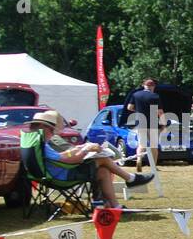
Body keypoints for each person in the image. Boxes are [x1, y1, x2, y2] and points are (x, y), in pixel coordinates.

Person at [23, 110, 153, 209]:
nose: (52, 132)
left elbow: (64, 155)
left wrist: (81, 147)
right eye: (51, 129)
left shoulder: (35, 143)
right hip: (62, 176)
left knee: (103, 171)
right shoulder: (45, 145)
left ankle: (115, 206)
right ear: (44, 128)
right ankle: (130, 179)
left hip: (49, 175)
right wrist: (85, 150)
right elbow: (69, 160)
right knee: (102, 159)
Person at [125, 78, 163, 171]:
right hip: (153, 123)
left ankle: (138, 160)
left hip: (141, 122)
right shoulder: (155, 96)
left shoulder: (136, 95)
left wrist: (138, 110)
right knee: (154, 145)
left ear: (144, 86)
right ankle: (153, 166)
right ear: (153, 87)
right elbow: (160, 112)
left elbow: (129, 107)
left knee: (141, 144)